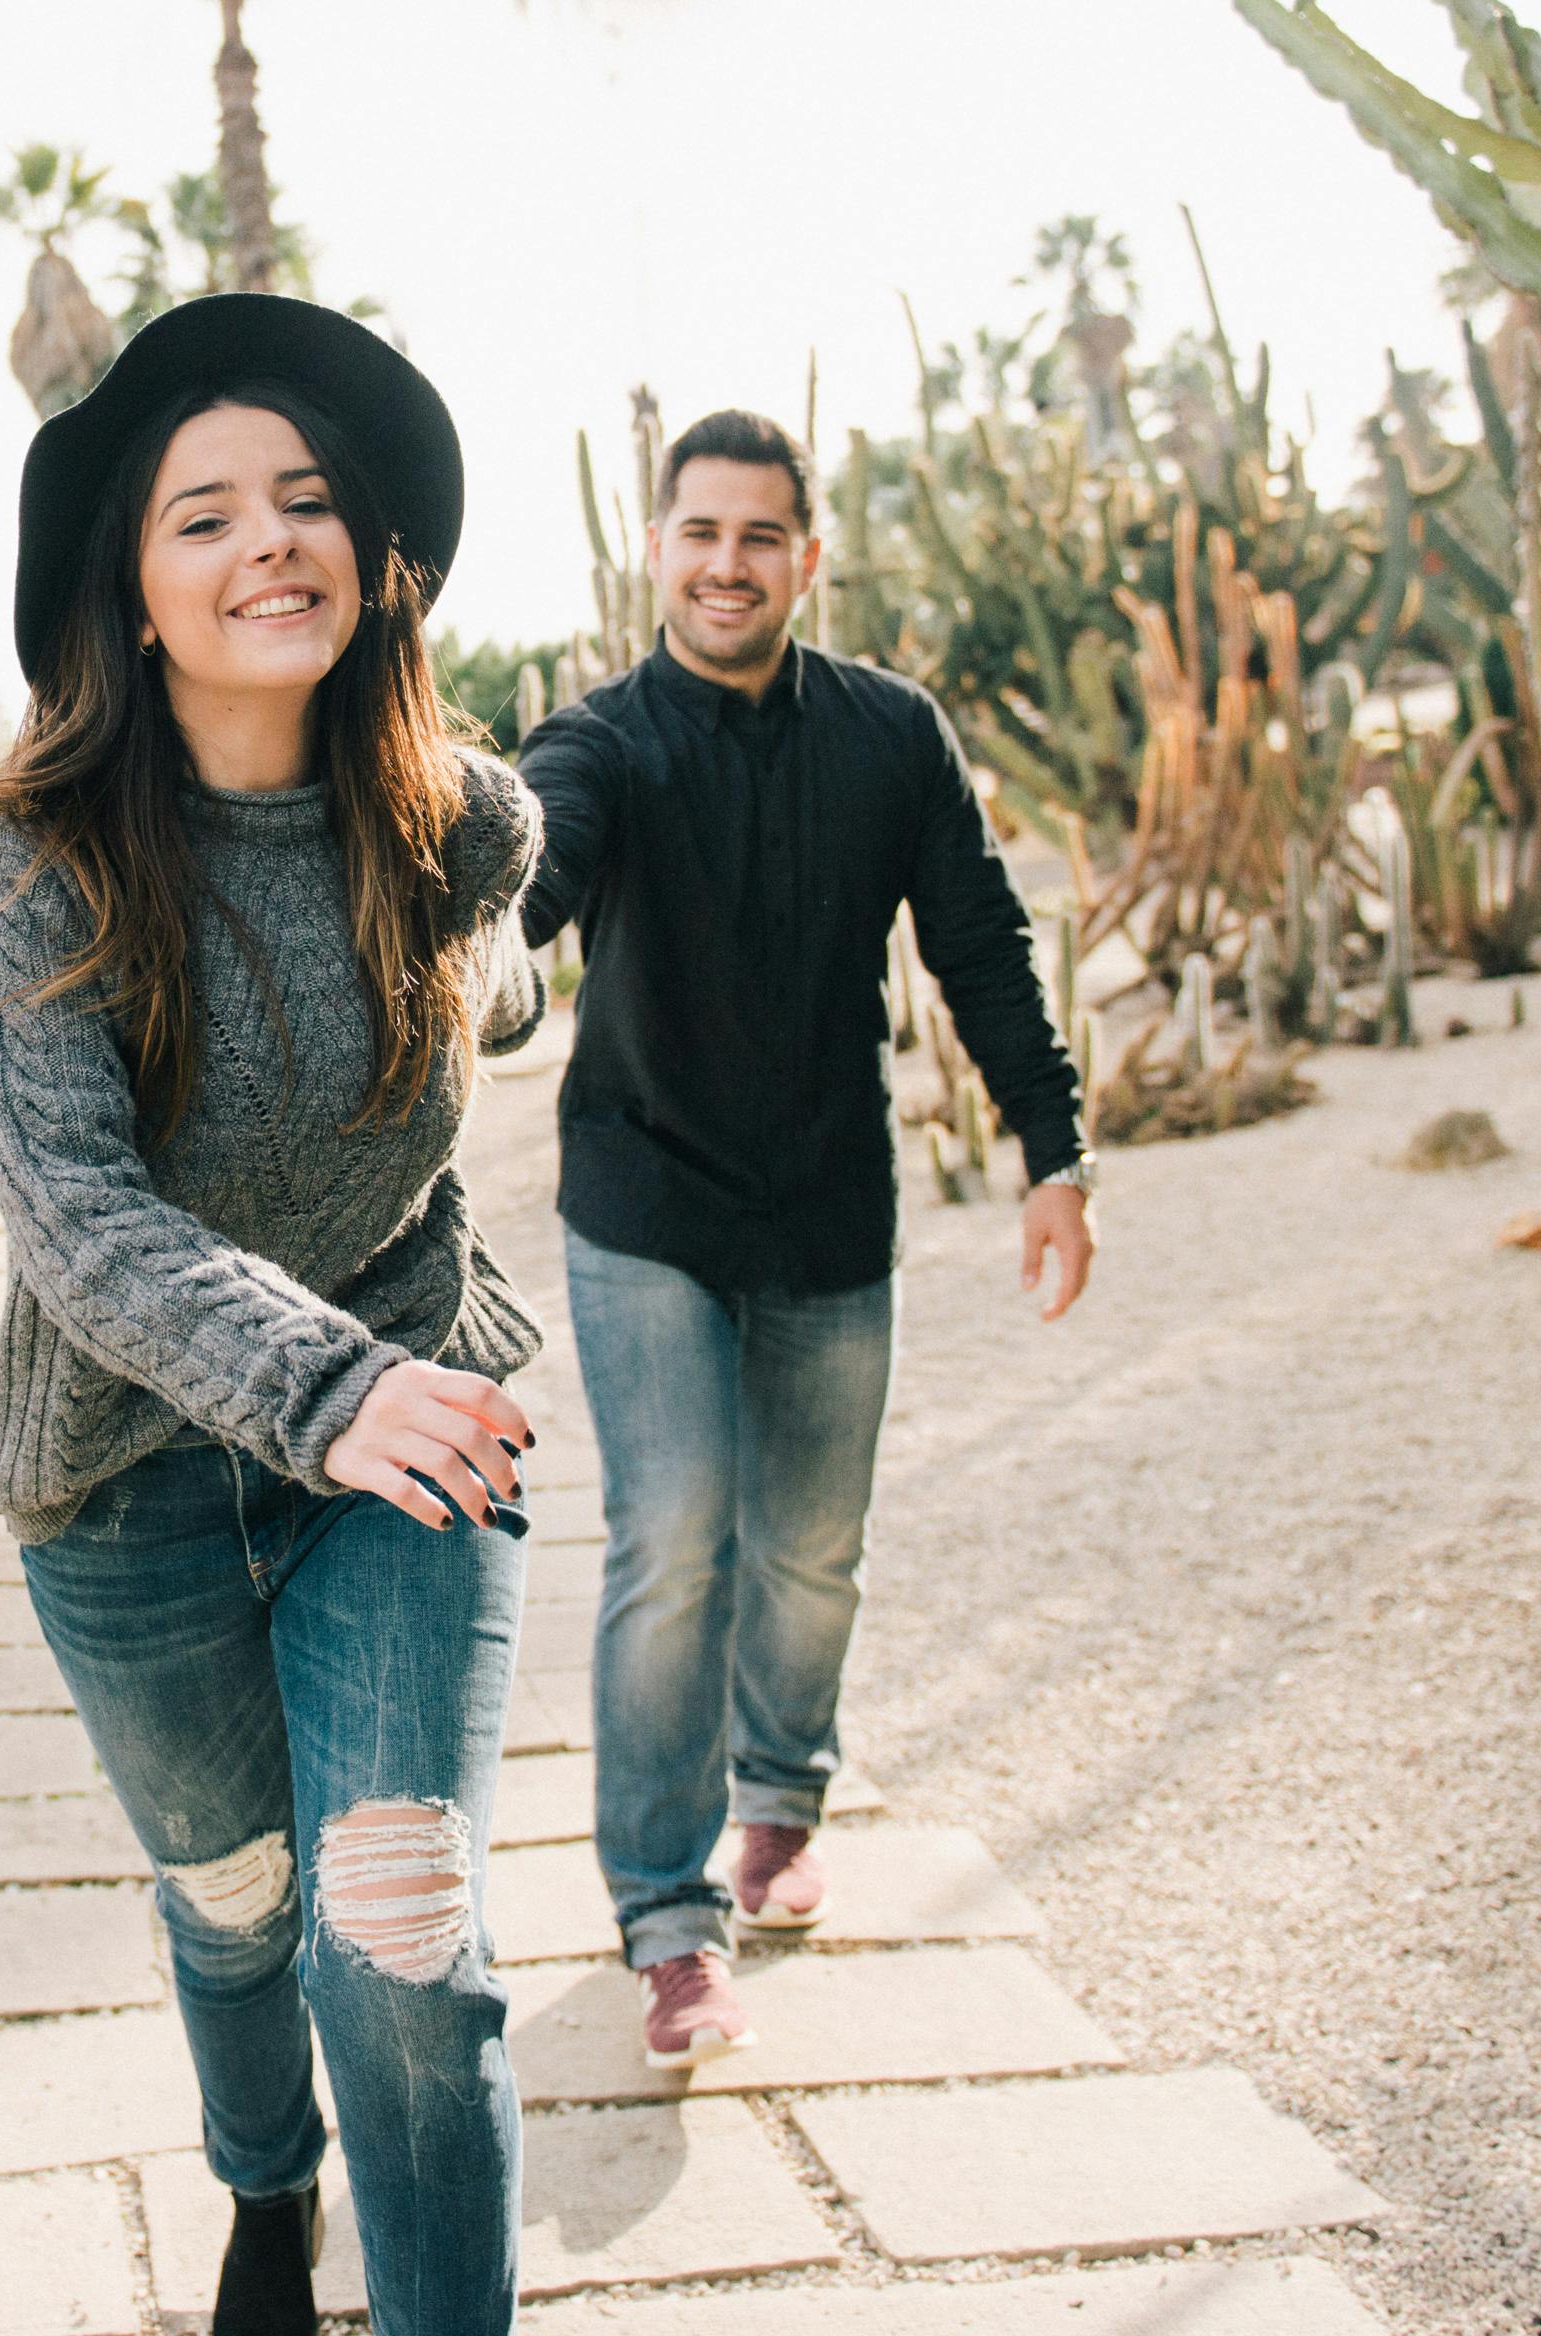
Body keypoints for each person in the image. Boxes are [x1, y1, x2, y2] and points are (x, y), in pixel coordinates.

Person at [0, 293, 544, 2336]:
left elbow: (489, 1000)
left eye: (305, 500)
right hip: (131, 1487)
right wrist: (322, 1383)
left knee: (398, 1928)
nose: (268, 541)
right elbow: (75, 1218)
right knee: (235, 1898)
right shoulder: (23, 859)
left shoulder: (460, 821)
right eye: (204, 516)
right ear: (134, 589)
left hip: (411, 1444)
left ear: (368, 553)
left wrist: (498, 975)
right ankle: (269, 2191)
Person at [516, 408, 1096, 2068]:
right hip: (647, 1205)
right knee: (675, 1540)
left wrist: (1054, 1152)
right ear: (656, 549)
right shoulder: (600, 742)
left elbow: (981, 944)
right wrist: (469, 920)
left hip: (835, 1200)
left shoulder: (892, 735)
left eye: (759, 536)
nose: (728, 564)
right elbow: (531, 871)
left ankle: (781, 1798)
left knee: (814, 1550)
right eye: (700, 533)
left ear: (806, 558)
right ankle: (666, 1918)